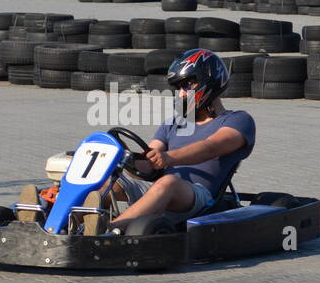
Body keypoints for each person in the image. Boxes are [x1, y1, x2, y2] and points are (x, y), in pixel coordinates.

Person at [107, 49, 255, 230]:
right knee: (105, 183)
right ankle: (72, 224)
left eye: (188, 85)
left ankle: (109, 230)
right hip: (160, 190)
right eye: (178, 88)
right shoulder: (173, 124)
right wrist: (123, 158)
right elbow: (148, 163)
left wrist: (168, 158)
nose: (181, 93)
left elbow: (211, 147)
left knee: (169, 183)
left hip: (199, 197)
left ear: (208, 81)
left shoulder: (238, 120)